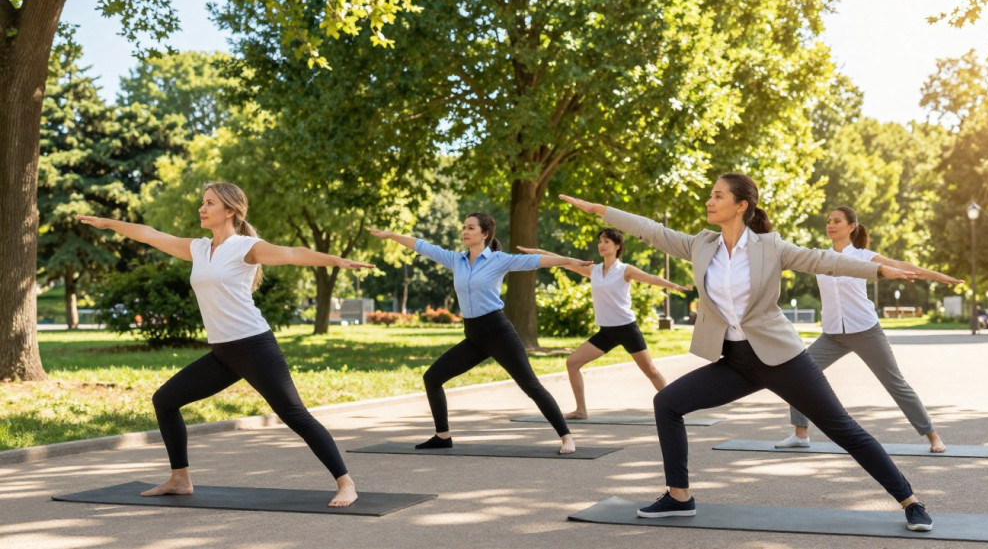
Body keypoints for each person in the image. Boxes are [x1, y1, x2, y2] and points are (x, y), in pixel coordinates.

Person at [560, 173, 934, 532]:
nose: (709, 200)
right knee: (668, 403)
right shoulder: (701, 244)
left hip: (783, 359)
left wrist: (881, 271)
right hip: (736, 362)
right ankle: (679, 497)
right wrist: (598, 210)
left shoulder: (770, 247)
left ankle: (910, 501)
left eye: (718, 195)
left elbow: (826, 262)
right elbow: (650, 230)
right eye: (711, 194)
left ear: (741, 206)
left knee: (843, 429)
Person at [77, 182, 373, 507]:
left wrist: (337, 260)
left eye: (209, 203)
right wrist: (108, 223)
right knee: (165, 400)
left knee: (294, 414)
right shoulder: (199, 248)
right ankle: (179, 479)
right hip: (223, 353)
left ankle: (347, 483)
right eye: (202, 202)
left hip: (254, 347)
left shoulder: (246, 247)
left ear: (230, 211)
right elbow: (149, 234)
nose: (202, 209)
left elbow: (292, 254)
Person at [368, 213, 592, 454]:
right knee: (432, 378)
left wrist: (572, 261)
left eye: (471, 228)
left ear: (485, 234)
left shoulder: (499, 260)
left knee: (531, 386)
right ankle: (443, 436)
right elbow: (422, 246)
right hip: (474, 337)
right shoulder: (456, 260)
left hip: (498, 332)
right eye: (464, 227)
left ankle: (566, 436)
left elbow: (536, 261)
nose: (465, 231)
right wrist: (391, 235)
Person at [776, 206, 961, 453]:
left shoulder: (864, 256)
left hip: (865, 331)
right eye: (828, 221)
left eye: (837, 221)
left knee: (895, 383)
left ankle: (933, 436)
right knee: (797, 374)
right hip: (832, 334)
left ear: (851, 227)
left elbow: (900, 264)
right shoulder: (820, 257)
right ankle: (801, 433)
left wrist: (937, 276)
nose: (831, 225)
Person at [518, 229, 690, 419]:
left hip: (626, 328)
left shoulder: (625, 270)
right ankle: (581, 410)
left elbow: (651, 278)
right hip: (606, 331)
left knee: (651, 370)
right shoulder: (594, 270)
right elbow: (565, 261)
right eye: (599, 241)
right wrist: (537, 251)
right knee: (572, 363)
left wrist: (674, 286)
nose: (601, 244)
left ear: (617, 246)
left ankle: (674, 408)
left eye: (606, 241)